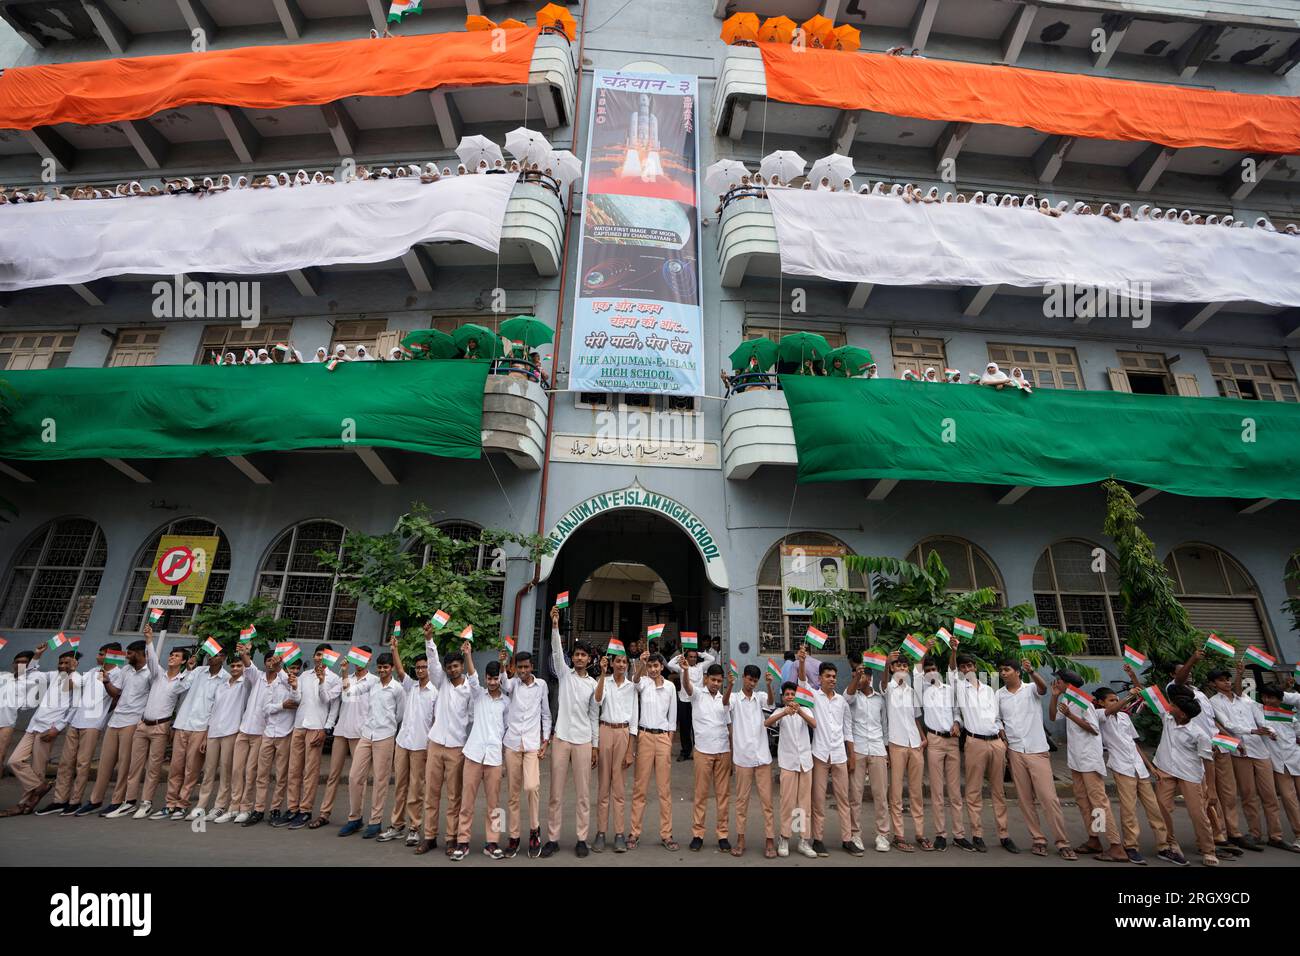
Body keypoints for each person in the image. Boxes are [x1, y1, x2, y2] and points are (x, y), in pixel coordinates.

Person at [1133, 671, 1217, 866]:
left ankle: (1208, 849)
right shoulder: (1168, 717)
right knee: (1162, 808)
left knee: (1198, 814)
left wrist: (1211, 788)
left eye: (1174, 706)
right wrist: (1133, 676)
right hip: (1165, 769)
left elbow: (1208, 761)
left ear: (1183, 713)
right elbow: (1150, 696)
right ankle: (1171, 843)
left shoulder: (1199, 734)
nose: (1169, 706)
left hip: (1190, 775)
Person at [997, 657, 1076, 859]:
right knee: (1025, 800)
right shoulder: (999, 695)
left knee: (1049, 799)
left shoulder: (1031, 688)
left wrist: (1032, 670)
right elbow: (997, 719)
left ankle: (1062, 842)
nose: (1003, 673)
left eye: (1007, 670)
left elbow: (1043, 689)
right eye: (1001, 670)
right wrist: (1002, 734)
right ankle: (1038, 839)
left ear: (1017, 672)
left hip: (1037, 750)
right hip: (1015, 751)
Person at [1050, 669, 1126, 862]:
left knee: (1098, 802)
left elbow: (1093, 729)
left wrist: (1070, 716)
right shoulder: (1067, 700)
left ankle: (1116, 846)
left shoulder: (1083, 702)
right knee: (1083, 801)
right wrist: (1054, 698)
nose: (1055, 683)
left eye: (1058, 681)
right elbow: (1052, 717)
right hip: (1076, 759)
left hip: (1089, 760)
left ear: (1067, 683)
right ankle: (1094, 839)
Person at [1169, 649, 1240, 857]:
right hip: (1199, 749)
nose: (1188, 673)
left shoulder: (1198, 693)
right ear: (1174, 675)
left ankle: (1227, 834)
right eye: (1182, 670)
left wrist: (1229, 738)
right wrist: (1193, 659)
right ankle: (1210, 840)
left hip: (1217, 744)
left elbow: (1211, 720)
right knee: (1206, 795)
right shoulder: (1175, 689)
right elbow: (1180, 679)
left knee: (1225, 792)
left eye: (1189, 670)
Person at [1097, 676, 1174, 864]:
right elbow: (1112, 710)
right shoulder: (1100, 715)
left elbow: (1134, 744)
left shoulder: (1124, 717)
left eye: (1116, 699)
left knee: (1154, 808)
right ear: (1101, 703)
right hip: (1122, 767)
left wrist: (1150, 766)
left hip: (1139, 768)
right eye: (1111, 700)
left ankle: (1163, 846)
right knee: (1129, 809)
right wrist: (1128, 697)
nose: (1115, 703)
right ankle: (1131, 846)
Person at [544, 604, 600, 858]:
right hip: (562, 737)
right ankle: (553, 838)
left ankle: (581, 839)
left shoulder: (593, 684)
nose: (579, 658)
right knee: (555, 792)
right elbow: (556, 650)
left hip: (583, 741)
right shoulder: (564, 676)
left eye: (583, 655)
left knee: (583, 794)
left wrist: (595, 746)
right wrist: (555, 624)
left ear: (589, 660)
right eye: (576, 654)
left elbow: (594, 716)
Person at [115, 625, 188, 819]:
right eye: (171, 655)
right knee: (134, 765)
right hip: (143, 725)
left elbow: (185, 700)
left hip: (160, 727)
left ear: (184, 661)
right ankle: (129, 801)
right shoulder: (158, 675)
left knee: (153, 768)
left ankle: (146, 802)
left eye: (177, 656)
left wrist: (174, 727)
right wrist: (149, 639)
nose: (172, 657)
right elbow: (153, 660)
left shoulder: (182, 681)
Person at [416, 622, 474, 856]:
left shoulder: (470, 690)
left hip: (457, 749)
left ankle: (451, 838)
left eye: (456, 666)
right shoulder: (441, 683)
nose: (452, 670)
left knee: (454, 797)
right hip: (436, 745)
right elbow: (433, 662)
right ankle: (429, 837)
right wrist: (429, 639)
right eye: (449, 667)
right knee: (431, 793)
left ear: (461, 666)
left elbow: (471, 721)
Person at [950, 637, 1012, 852]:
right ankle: (977, 834)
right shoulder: (960, 688)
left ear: (975, 667)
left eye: (969, 665)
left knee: (998, 790)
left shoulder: (989, 689)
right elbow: (951, 671)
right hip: (975, 742)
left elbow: (996, 717)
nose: (966, 669)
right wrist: (954, 650)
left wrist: (1002, 735)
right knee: (974, 791)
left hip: (996, 743)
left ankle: (1004, 834)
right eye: (963, 667)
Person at [1208, 662, 1278, 852]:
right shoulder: (1214, 702)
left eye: (1227, 679)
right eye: (1221, 680)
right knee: (1248, 795)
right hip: (1240, 751)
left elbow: (1261, 719)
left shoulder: (1246, 700)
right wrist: (1254, 731)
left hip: (1261, 750)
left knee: (1270, 794)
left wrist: (1269, 730)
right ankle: (1255, 833)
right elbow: (1228, 725)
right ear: (1214, 684)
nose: (1227, 683)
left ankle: (1276, 835)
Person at [43, 643, 117, 816]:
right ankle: (59, 800)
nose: (98, 656)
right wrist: (72, 671)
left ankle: (75, 801)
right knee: (65, 763)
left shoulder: (118, 674)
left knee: (82, 764)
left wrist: (103, 714)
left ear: (113, 655)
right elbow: (71, 686)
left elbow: (117, 697)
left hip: (92, 724)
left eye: (101, 653)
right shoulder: (92, 671)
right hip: (75, 721)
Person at [2, 647, 75, 815]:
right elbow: (30, 671)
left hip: (47, 730)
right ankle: (39, 788)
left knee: (38, 769)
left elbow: (72, 709)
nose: (62, 665)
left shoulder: (76, 680)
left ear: (73, 664)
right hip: (33, 726)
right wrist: (37, 655)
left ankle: (24, 805)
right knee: (14, 761)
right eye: (61, 662)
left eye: (67, 663)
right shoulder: (52, 675)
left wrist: (57, 729)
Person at [340, 651, 406, 839]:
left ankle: (375, 822)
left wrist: (388, 725)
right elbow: (349, 694)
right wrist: (345, 673)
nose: (383, 670)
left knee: (380, 780)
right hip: (367, 734)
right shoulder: (372, 683)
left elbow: (400, 714)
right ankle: (355, 818)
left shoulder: (397, 689)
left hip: (385, 736)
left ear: (391, 668)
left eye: (386, 667)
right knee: (354, 777)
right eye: (380, 667)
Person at [85, 639, 151, 817]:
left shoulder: (150, 673)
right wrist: (107, 682)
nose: (126, 656)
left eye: (129, 653)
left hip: (132, 722)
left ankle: (117, 801)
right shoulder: (126, 671)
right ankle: (95, 800)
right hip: (115, 721)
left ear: (139, 653)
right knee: (105, 764)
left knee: (124, 765)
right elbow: (116, 693)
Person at [279, 646, 342, 830]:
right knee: (294, 769)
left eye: (324, 655)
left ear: (330, 658)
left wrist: (326, 729)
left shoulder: (334, 679)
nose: (320, 658)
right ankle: (292, 807)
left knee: (310, 772)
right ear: (314, 657)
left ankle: (305, 810)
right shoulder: (304, 676)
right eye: (317, 654)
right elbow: (297, 699)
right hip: (299, 725)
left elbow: (333, 706)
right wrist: (293, 686)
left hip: (316, 727)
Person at [160, 646, 225, 821]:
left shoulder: (225, 678)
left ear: (223, 658)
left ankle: (182, 803)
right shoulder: (197, 671)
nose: (211, 658)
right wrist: (188, 669)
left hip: (201, 728)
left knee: (191, 769)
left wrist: (207, 734)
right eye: (210, 654)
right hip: (182, 724)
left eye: (216, 655)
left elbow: (218, 709)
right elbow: (179, 688)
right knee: (176, 767)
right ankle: (170, 803)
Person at [802, 656, 858, 857]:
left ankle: (847, 839)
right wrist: (801, 662)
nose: (832, 679)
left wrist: (851, 755)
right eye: (828, 676)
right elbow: (801, 682)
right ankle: (817, 840)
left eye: (834, 676)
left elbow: (848, 729)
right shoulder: (813, 697)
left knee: (844, 799)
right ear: (820, 678)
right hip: (820, 755)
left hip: (839, 756)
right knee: (818, 800)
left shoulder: (841, 701)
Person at [454, 654, 508, 860]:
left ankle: (493, 843)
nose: (493, 682)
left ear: (500, 679)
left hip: (494, 758)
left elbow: (508, 728)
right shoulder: (478, 695)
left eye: (496, 679)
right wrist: (467, 654)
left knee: (495, 804)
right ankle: (462, 842)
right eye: (490, 678)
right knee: (467, 802)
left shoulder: (506, 703)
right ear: (486, 678)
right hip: (474, 755)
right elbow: (472, 675)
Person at [315, 646, 375, 829]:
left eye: (362, 659)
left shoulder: (374, 681)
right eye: (355, 659)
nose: (358, 663)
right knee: (333, 775)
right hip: (341, 732)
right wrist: (322, 681)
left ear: (368, 660)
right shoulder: (346, 677)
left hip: (360, 734)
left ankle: (355, 817)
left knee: (358, 778)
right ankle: (324, 813)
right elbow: (327, 698)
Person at [382, 645, 436, 845]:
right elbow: (399, 670)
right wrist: (395, 649)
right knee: (400, 786)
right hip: (403, 742)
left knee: (416, 788)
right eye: (418, 667)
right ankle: (396, 825)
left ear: (430, 669)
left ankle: (414, 827)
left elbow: (437, 721)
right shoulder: (410, 686)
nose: (420, 670)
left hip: (421, 746)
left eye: (424, 667)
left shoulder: (435, 692)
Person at [500, 648, 550, 858]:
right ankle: (513, 836)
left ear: (532, 667)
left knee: (531, 787)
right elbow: (503, 683)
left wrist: (545, 740)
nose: (522, 670)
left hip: (531, 744)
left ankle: (534, 830)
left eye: (525, 667)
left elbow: (546, 714)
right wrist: (503, 665)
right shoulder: (513, 685)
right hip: (512, 744)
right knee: (512, 793)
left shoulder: (541, 686)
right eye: (519, 667)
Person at [194, 647, 252, 823]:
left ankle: (221, 806)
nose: (235, 669)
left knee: (227, 771)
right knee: (209, 770)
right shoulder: (222, 685)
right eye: (233, 666)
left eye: (238, 666)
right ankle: (201, 805)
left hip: (231, 732)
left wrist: (245, 653)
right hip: (214, 732)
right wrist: (205, 735)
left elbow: (250, 670)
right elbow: (214, 710)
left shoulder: (245, 684)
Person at [918, 645, 966, 851]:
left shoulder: (949, 690)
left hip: (952, 741)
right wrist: (926, 649)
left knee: (955, 791)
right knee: (937, 791)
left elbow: (957, 711)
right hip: (935, 741)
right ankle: (940, 834)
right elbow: (917, 670)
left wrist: (957, 723)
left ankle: (959, 834)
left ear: (938, 670)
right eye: (927, 670)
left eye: (933, 669)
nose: (930, 673)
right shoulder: (922, 689)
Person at [629, 650, 677, 851]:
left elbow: (672, 717)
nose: (653, 669)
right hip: (645, 736)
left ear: (662, 667)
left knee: (664, 789)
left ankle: (666, 834)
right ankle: (634, 832)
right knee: (640, 788)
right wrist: (641, 663)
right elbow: (635, 680)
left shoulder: (670, 687)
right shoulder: (644, 683)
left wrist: (669, 739)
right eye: (651, 666)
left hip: (663, 737)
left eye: (656, 666)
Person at [764, 681, 818, 858]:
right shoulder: (781, 712)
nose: (790, 697)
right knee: (787, 802)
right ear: (783, 697)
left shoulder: (806, 710)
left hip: (805, 763)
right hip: (788, 763)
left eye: (792, 694)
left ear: (797, 696)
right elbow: (767, 722)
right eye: (787, 694)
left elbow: (814, 724)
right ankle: (785, 837)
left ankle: (803, 840)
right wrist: (784, 713)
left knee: (804, 803)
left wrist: (799, 711)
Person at [244, 653, 299, 826]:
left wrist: (284, 675)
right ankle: (259, 808)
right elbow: (265, 708)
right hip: (268, 733)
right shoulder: (272, 683)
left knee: (281, 775)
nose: (274, 666)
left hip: (284, 733)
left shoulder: (292, 683)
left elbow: (296, 699)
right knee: (262, 773)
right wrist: (282, 705)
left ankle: (275, 808)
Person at [683, 660, 732, 852]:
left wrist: (733, 753)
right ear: (706, 679)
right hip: (703, 752)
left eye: (719, 681)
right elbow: (687, 687)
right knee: (701, 795)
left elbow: (729, 726)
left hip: (723, 752)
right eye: (713, 680)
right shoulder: (697, 695)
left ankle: (723, 835)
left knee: (723, 797)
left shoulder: (724, 699)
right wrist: (686, 671)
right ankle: (698, 834)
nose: (716, 684)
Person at [593, 649, 637, 853]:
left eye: (624, 662)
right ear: (611, 664)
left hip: (623, 733)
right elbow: (598, 700)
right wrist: (602, 674)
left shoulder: (632, 687)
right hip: (605, 730)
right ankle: (601, 832)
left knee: (619, 788)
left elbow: (634, 719)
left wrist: (631, 750)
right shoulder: (605, 681)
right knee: (603, 787)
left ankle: (619, 833)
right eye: (617, 661)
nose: (621, 664)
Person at [883, 649, 928, 851]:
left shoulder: (911, 691)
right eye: (898, 665)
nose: (902, 668)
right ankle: (899, 835)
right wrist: (886, 663)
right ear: (892, 668)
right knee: (896, 791)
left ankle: (920, 833)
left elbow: (915, 716)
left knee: (917, 791)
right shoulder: (888, 688)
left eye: (904, 666)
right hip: (896, 742)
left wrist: (922, 735)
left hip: (915, 743)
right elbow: (884, 683)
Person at [730, 664, 776, 858]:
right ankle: (740, 839)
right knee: (741, 801)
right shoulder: (734, 698)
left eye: (755, 680)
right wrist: (728, 686)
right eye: (750, 679)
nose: (752, 683)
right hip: (742, 757)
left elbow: (772, 704)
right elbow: (724, 704)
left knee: (767, 802)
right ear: (743, 677)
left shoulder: (761, 697)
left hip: (762, 757)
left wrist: (769, 685)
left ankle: (770, 839)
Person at [845, 660, 890, 853]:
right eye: (857, 674)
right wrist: (856, 677)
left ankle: (882, 835)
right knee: (855, 795)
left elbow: (885, 725)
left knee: (881, 795)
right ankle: (855, 834)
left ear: (870, 678)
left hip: (878, 749)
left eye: (863, 675)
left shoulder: (880, 700)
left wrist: (887, 751)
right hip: (859, 749)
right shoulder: (851, 698)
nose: (860, 677)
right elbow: (846, 697)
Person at [1257, 685, 1300, 851]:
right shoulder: (1261, 714)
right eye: (1265, 697)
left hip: (1296, 759)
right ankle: (1298, 834)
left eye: (1271, 697)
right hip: (1279, 764)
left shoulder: (1290, 716)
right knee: (1290, 800)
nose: (1267, 700)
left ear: (1280, 699)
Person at [666, 641, 716, 761]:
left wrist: (698, 652)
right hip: (684, 701)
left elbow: (712, 658)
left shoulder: (701, 667)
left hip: (697, 702)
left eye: (695, 657)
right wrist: (681, 655)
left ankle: (697, 751)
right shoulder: (682, 667)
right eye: (691, 657)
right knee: (684, 727)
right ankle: (685, 752)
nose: (693, 659)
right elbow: (669, 664)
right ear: (687, 658)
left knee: (697, 727)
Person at [0, 651, 37, 775]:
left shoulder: (30, 683)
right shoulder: (3, 676)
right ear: (12, 664)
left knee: (1, 754)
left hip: (6, 723)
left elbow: (28, 705)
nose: (20, 665)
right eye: (17, 662)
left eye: (24, 663)